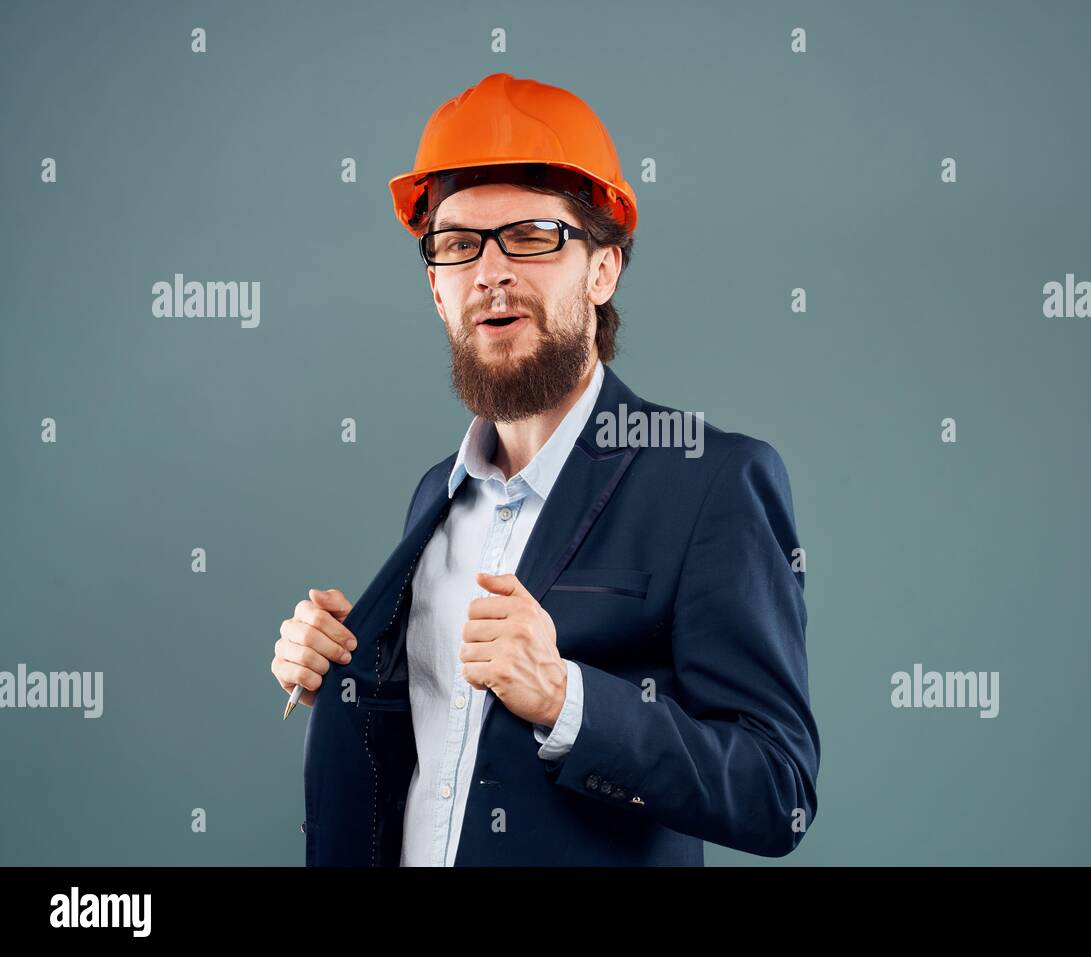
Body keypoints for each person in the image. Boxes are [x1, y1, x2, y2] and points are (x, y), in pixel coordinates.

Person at [270, 72, 819, 866]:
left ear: (603, 270)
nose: (490, 271)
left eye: (530, 236)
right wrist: (342, 662)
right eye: (459, 245)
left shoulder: (709, 482)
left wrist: (568, 700)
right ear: (435, 287)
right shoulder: (437, 495)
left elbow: (779, 789)